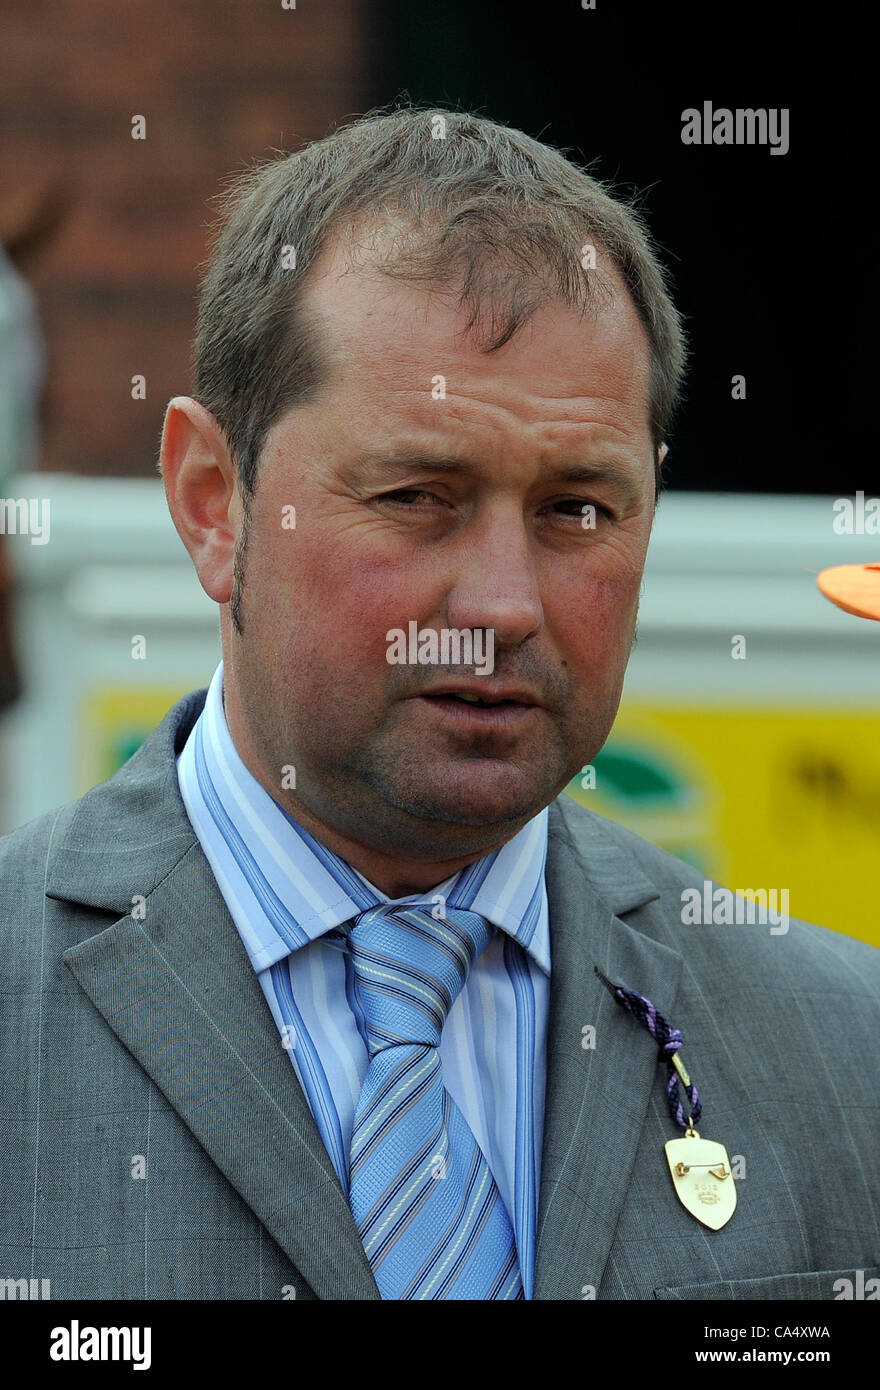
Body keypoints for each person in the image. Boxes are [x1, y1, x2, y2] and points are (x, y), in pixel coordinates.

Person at [1, 107, 877, 1302]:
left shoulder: (844, 1051)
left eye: (578, 508)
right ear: (215, 503)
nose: (506, 602)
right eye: (418, 495)